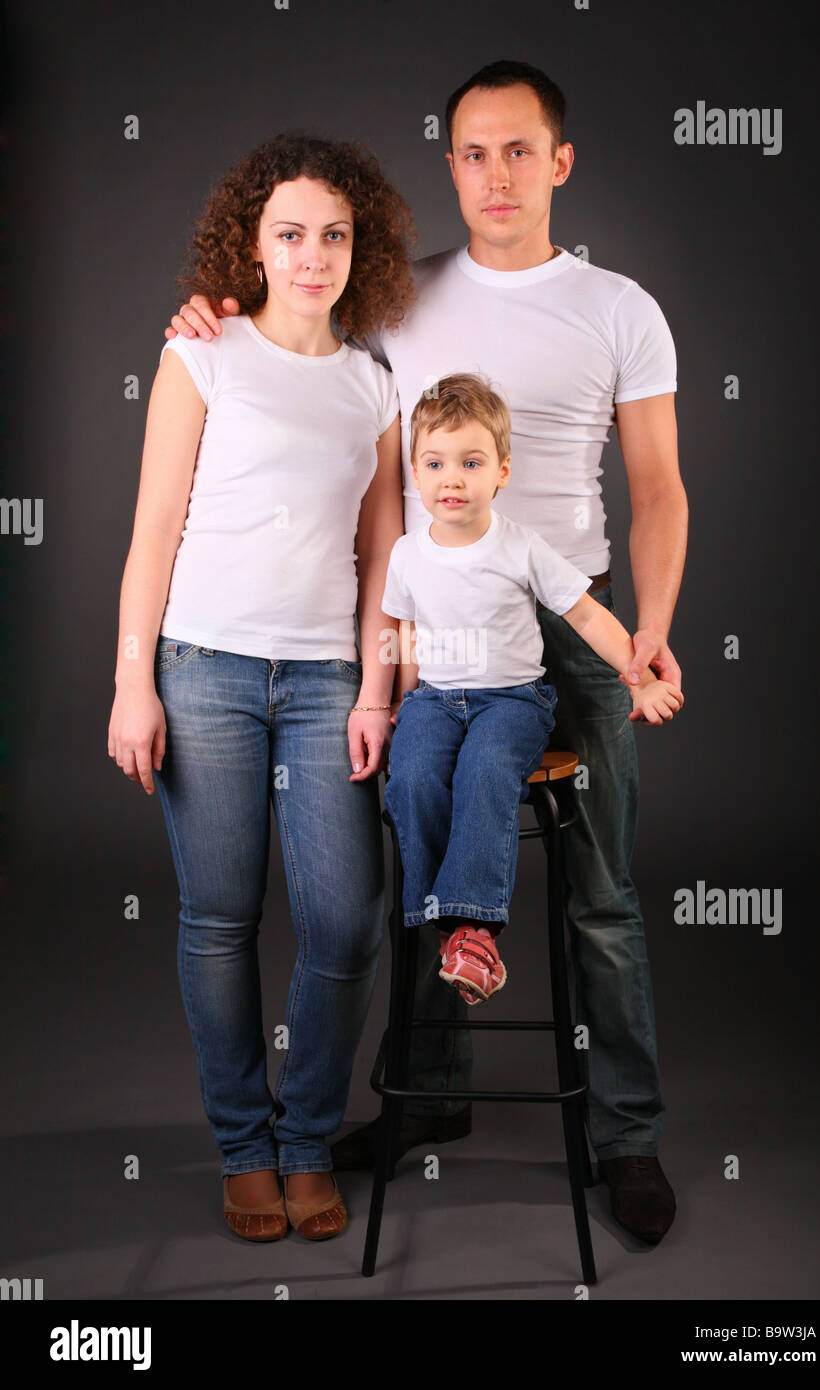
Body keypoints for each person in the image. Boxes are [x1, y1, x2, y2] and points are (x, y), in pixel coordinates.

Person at [164, 60, 689, 1245]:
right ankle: (429, 1097)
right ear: (446, 162)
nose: (493, 174)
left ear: (558, 163)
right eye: (469, 152)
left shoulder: (621, 309)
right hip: (437, 620)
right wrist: (207, 306)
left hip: (574, 612)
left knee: (601, 895)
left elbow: (657, 488)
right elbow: (287, 339)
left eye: (518, 151)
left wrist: (646, 624)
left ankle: (627, 1135)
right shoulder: (401, 303)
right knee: (421, 835)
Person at [108, 131, 416, 1242]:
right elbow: (152, 531)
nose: (311, 255)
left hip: (328, 676)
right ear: (253, 241)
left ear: (357, 248)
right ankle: (246, 1145)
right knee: (218, 918)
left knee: (345, 919)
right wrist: (128, 680)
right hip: (203, 672)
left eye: (333, 235)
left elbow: (384, 558)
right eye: (289, 233)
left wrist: (375, 692)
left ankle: (306, 1137)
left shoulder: (373, 385)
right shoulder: (202, 357)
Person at [382, 374, 683, 1005]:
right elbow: (405, 633)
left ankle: (476, 929)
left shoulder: (520, 546)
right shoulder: (409, 553)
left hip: (511, 701)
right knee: (410, 774)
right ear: (414, 471)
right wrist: (398, 704)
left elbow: (587, 615)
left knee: (486, 771)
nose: (452, 479)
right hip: (436, 697)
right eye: (435, 464)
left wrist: (641, 676)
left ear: (502, 471)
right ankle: (446, 924)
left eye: (471, 463)